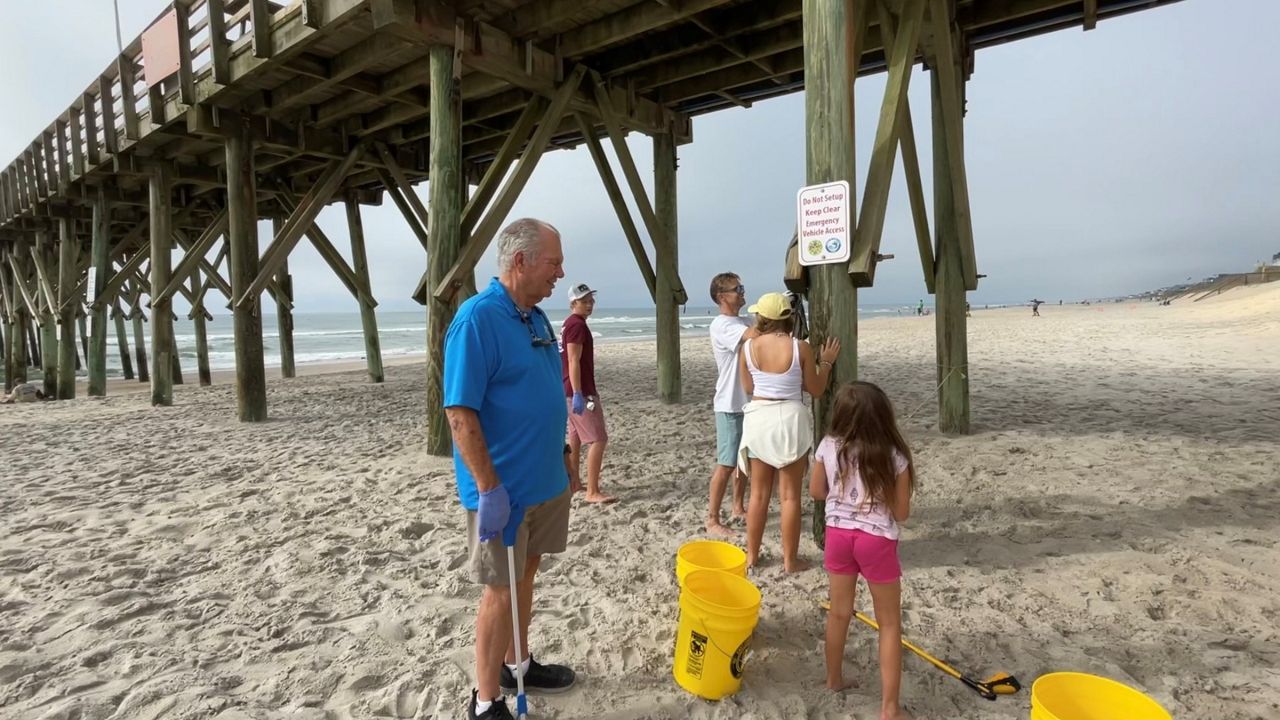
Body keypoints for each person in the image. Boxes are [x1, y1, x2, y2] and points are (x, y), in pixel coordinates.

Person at [443, 218, 576, 720]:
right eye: (554, 262)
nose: (560, 272)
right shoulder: (477, 319)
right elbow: (459, 411)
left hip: (545, 480)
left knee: (526, 575)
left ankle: (517, 665)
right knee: (500, 590)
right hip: (503, 491)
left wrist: (564, 453)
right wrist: (488, 488)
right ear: (520, 261)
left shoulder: (536, 317)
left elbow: (544, 391)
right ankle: (485, 701)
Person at [810, 381, 916, 720]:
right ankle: (889, 708)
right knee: (888, 624)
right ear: (883, 417)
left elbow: (816, 491)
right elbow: (901, 513)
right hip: (876, 540)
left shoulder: (828, 445)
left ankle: (833, 678)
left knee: (839, 612)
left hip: (839, 536)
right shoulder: (893, 456)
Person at [737, 291, 840, 572]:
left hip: (759, 418)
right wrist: (827, 363)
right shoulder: (800, 348)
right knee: (790, 497)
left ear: (762, 318)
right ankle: (790, 560)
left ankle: (752, 556)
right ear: (788, 317)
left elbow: (749, 388)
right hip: (790, 419)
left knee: (757, 495)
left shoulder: (747, 347)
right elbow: (816, 389)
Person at [706, 272, 752, 537]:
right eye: (738, 288)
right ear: (722, 297)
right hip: (729, 403)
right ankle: (712, 518)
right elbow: (755, 334)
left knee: (744, 461)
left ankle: (737, 506)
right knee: (726, 463)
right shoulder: (722, 325)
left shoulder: (744, 320)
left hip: (747, 403)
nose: (742, 292)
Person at [560, 282, 614, 503]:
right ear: (573, 303)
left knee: (576, 436)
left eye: (591, 300)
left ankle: (574, 483)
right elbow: (573, 360)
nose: (590, 304)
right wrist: (580, 392)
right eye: (584, 301)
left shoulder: (569, 324)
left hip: (568, 389)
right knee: (598, 439)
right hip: (579, 390)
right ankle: (592, 491)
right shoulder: (577, 325)